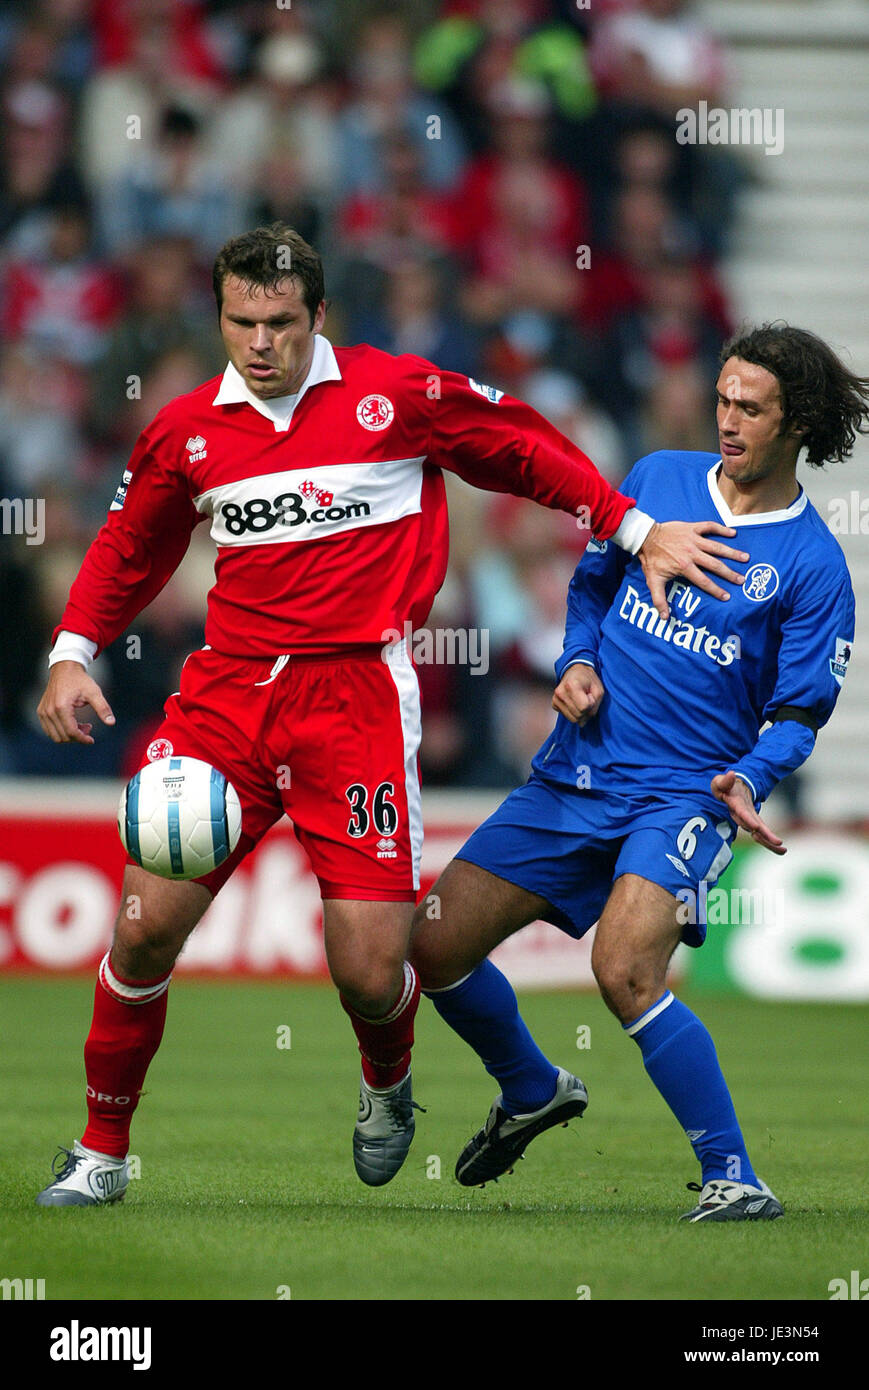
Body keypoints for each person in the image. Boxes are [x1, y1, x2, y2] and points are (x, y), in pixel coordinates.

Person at [34, 222, 747, 1207]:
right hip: (227, 699)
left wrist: (629, 527)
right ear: (220, 318)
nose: (259, 342)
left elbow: (517, 447)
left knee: (371, 970)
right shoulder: (189, 430)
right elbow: (129, 544)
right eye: (240, 322)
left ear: (317, 316)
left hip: (356, 700)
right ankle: (100, 1150)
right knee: (143, 927)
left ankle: (385, 1082)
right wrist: (73, 653)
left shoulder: (393, 396)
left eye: (280, 322)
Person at [408, 324, 868, 1221]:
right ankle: (531, 1085)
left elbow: (799, 711)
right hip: (574, 773)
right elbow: (589, 582)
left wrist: (752, 776)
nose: (727, 419)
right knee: (429, 946)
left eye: (751, 406)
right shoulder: (657, 476)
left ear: (796, 421)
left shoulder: (814, 566)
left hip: (684, 795)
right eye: (723, 397)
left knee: (622, 968)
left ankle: (735, 1176)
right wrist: (575, 662)